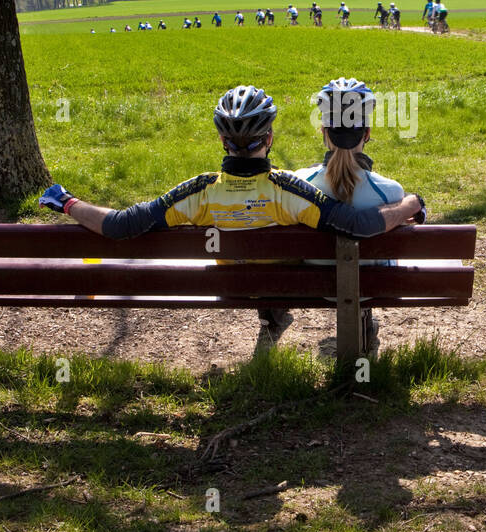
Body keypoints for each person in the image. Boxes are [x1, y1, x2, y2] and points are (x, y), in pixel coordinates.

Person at [40, 85, 426, 353]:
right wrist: (411, 205)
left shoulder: (199, 192)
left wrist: (68, 202)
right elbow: (358, 226)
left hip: (236, 288)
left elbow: (120, 225)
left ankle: (270, 321)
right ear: (269, 138)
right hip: (291, 285)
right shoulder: (290, 191)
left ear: (223, 141)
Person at [294, 78, 408, 358]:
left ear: (324, 132)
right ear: (367, 133)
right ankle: (364, 320)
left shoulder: (297, 184)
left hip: (317, 287)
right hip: (373, 288)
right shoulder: (391, 192)